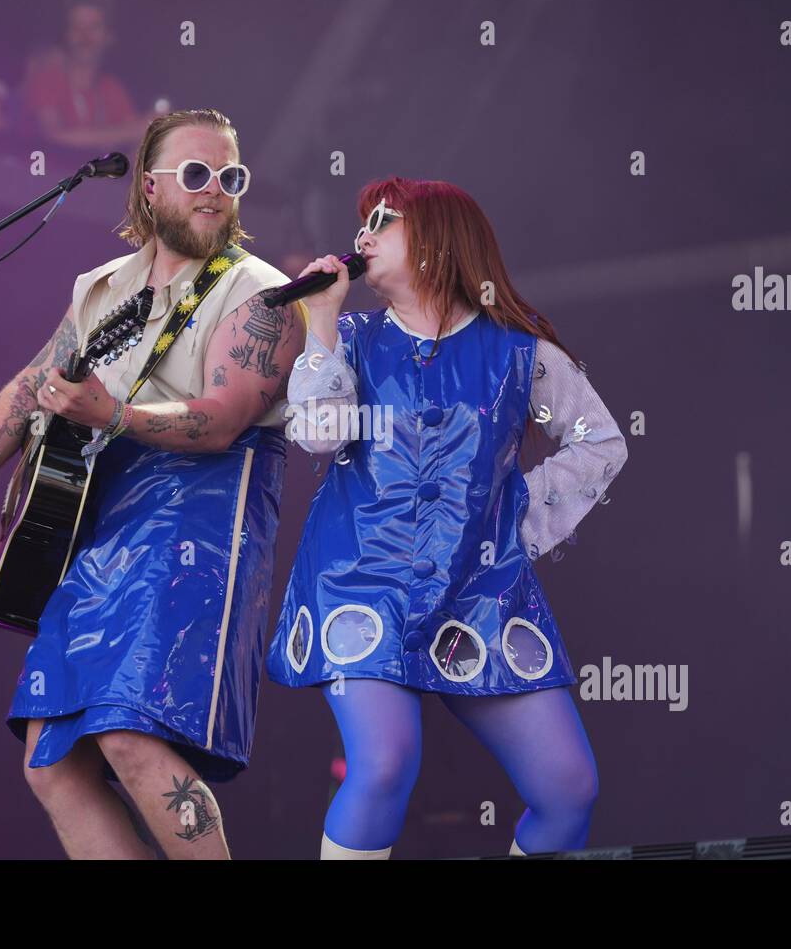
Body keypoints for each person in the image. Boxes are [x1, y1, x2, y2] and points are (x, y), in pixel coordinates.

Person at [0, 108, 305, 859]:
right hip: (103, 521)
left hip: (201, 516)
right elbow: (30, 383)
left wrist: (112, 411)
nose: (215, 192)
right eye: (197, 175)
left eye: (230, 178)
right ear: (149, 187)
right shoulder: (104, 287)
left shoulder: (262, 294)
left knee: (128, 730)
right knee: (51, 756)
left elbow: (224, 419)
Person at [267, 176, 629, 859]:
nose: (362, 235)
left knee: (568, 787)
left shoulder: (520, 355)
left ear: (437, 240)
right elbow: (317, 432)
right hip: (360, 582)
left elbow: (601, 441)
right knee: (383, 764)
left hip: (479, 592)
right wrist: (318, 324)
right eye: (361, 222)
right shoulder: (348, 337)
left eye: (384, 220)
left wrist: (514, 517)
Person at [22, 0, 148, 153]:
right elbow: (54, 137)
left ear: (109, 36)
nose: (85, 36)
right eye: (77, 27)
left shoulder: (112, 88)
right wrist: (134, 130)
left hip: (100, 177)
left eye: (94, 27)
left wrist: (153, 130)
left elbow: (135, 139)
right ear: (67, 35)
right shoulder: (48, 78)